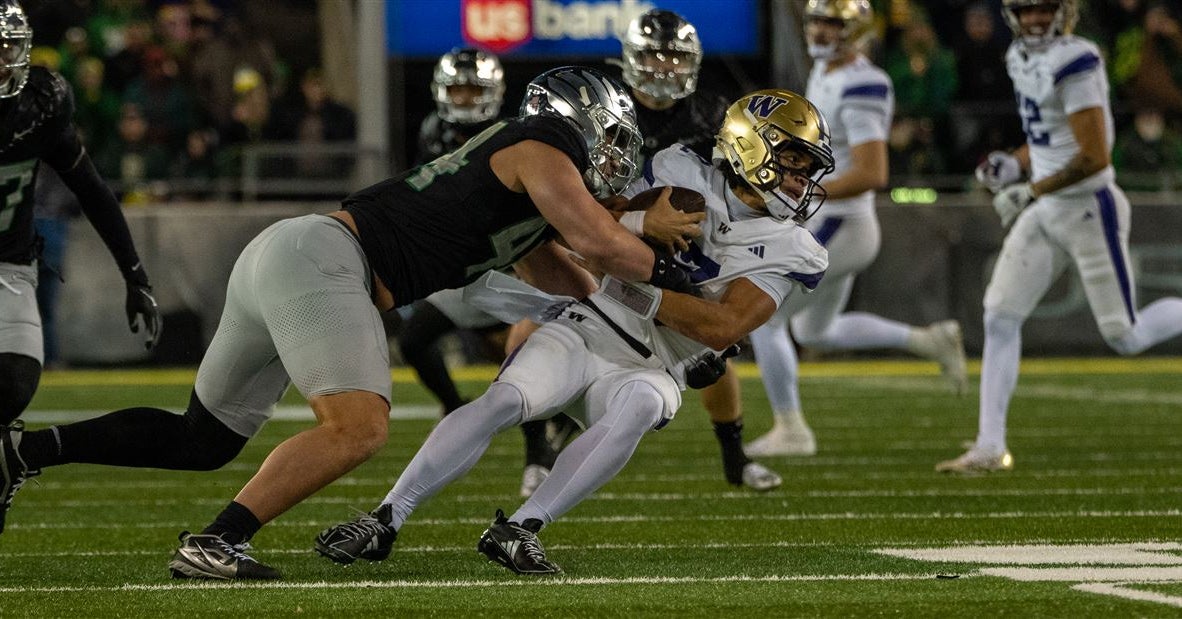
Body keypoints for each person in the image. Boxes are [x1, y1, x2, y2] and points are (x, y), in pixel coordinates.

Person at [0, 66, 704, 580]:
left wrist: (658, 330)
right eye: (611, 135)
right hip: (330, 262)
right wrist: (659, 250)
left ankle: (24, 451)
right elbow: (602, 242)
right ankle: (217, 542)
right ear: (579, 118)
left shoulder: (531, 197)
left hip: (297, 256)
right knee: (360, 426)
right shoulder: (542, 142)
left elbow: (574, 278)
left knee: (202, 438)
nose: (615, 152)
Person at [313, 88, 835, 575]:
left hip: (656, 364)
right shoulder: (677, 168)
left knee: (644, 406)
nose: (801, 177)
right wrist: (632, 231)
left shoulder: (798, 249)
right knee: (503, 401)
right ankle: (386, 517)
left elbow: (723, 326)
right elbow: (581, 213)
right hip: (591, 320)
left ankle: (520, 528)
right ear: (748, 145)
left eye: (809, 165)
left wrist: (638, 283)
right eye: (794, 159)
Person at [518, 7, 781, 498]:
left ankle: (736, 456)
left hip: (679, 243)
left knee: (712, 355)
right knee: (537, 327)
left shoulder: (711, 114)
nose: (663, 67)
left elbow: (730, 193)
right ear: (630, 60)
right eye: (654, 55)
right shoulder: (605, 103)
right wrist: (628, 221)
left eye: (674, 57)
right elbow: (571, 189)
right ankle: (537, 453)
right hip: (597, 232)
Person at [937, 0, 1182, 473]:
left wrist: (1029, 189)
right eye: (1025, 11)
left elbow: (1095, 157)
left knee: (1125, 335)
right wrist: (1016, 161)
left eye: (1042, 10)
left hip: (1090, 207)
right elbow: (1048, 134)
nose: (1033, 19)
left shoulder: (1078, 60)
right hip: (1049, 206)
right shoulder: (1019, 57)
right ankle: (990, 446)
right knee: (1000, 314)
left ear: (1063, 13)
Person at [744, 0, 967, 458]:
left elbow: (871, 173)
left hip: (842, 224)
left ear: (858, 30)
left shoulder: (864, 82)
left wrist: (798, 194)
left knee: (762, 315)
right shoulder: (826, 72)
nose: (822, 32)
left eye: (833, 23)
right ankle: (929, 340)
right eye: (818, 22)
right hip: (833, 221)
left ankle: (792, 429)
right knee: (813, 333)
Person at [0, 0, 161, 534]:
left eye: (8, 48)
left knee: (15, 381)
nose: (3, 61)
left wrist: (134, 273)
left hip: (9, 265)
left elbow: (90, 189)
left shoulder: (38, 105)